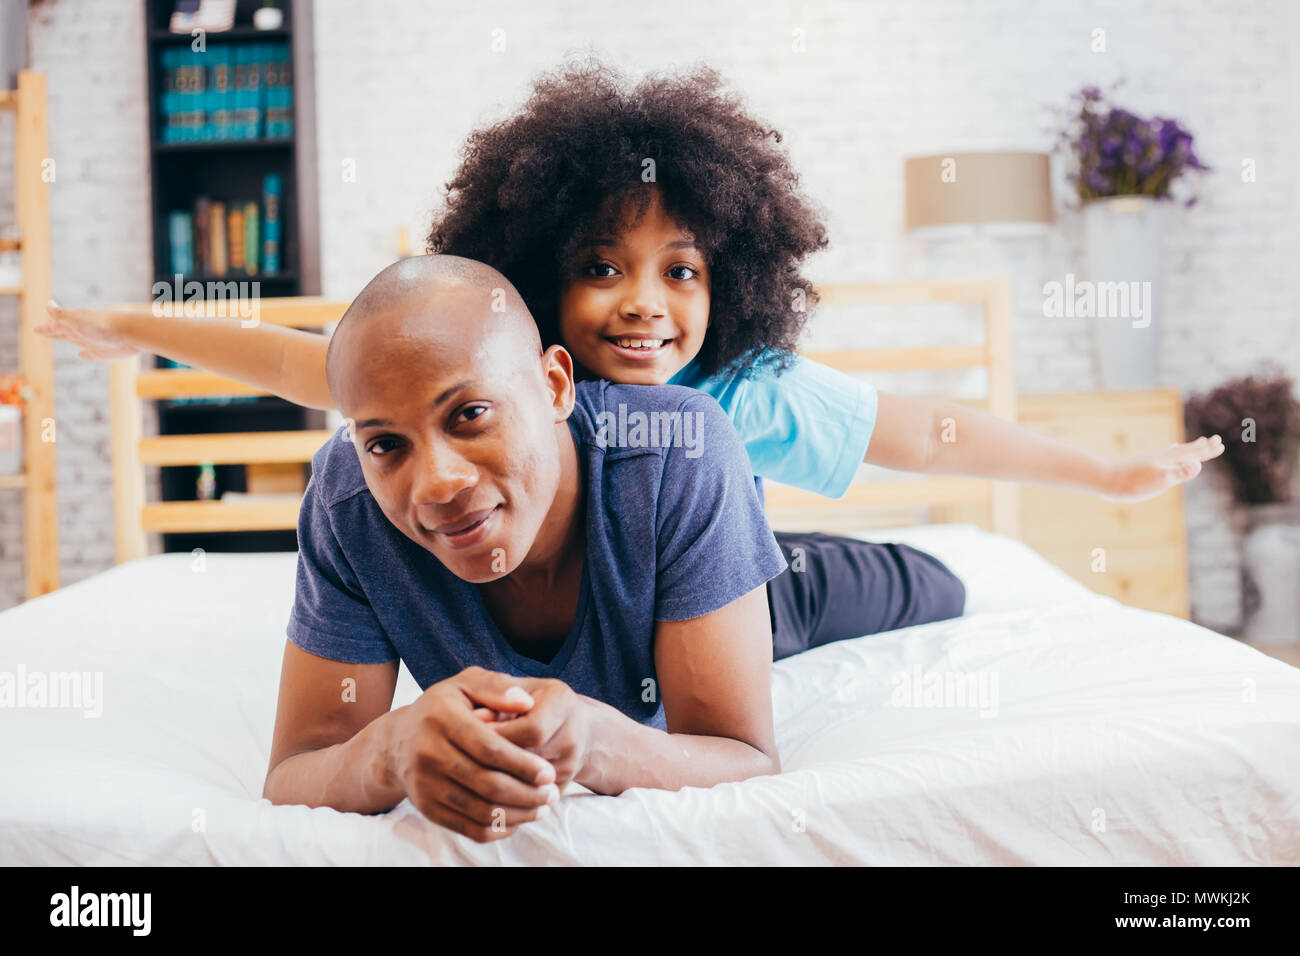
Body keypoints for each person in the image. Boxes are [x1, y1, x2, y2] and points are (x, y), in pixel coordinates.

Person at [37, 59, 1224, 660]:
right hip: (597, 612)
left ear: (728, 278)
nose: (645, 304)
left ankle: (921, 572)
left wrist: (1099, 474)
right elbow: (303, 360)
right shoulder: (479, 390)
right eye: (602, 265)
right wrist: (136, 326)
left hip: (743, 584)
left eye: (683, 269)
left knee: (924, 582)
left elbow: (919, 430)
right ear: (535, 277)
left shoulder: (739, 390)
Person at [265, 253, 789, 844]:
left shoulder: (681, 453)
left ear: (555, 386)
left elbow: (746, 760)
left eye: (469, 414)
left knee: (908, 581)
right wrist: (388, 750)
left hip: (751, 584)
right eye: (387, 443)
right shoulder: (348, 502)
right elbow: (295, 771)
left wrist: (591, 740)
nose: (437, 483)